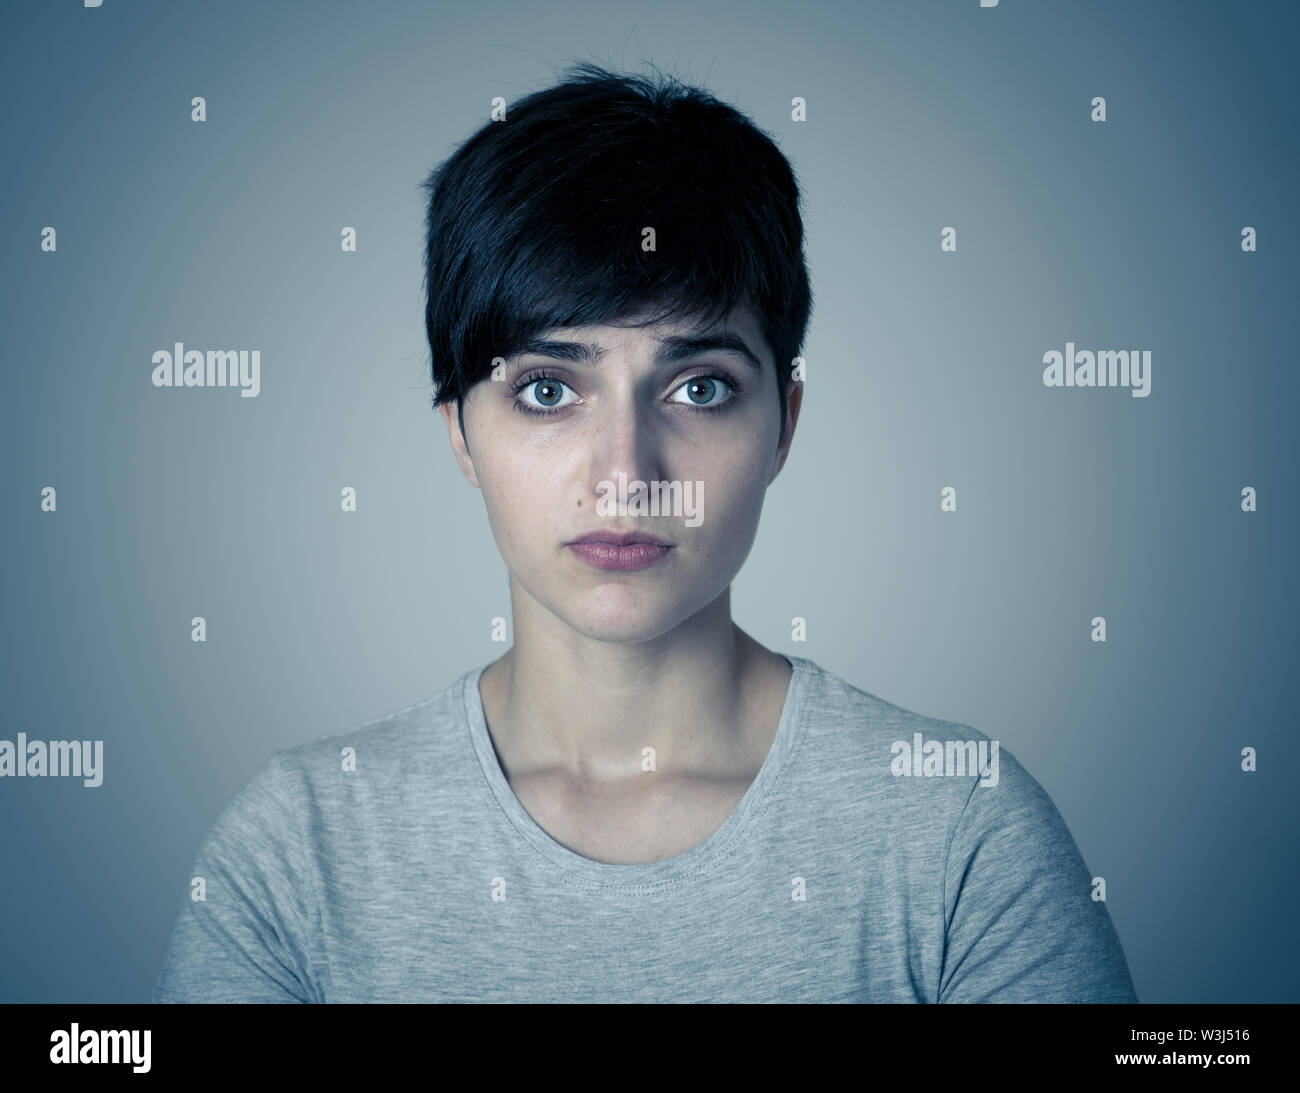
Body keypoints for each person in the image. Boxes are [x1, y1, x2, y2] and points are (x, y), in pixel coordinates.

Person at [152, 61, 1138, 1003]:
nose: (627, 475)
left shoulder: (958, 831)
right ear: (460, 432)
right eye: (546, 390)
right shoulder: (300, 851)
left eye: (698, 387)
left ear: (784, 424)